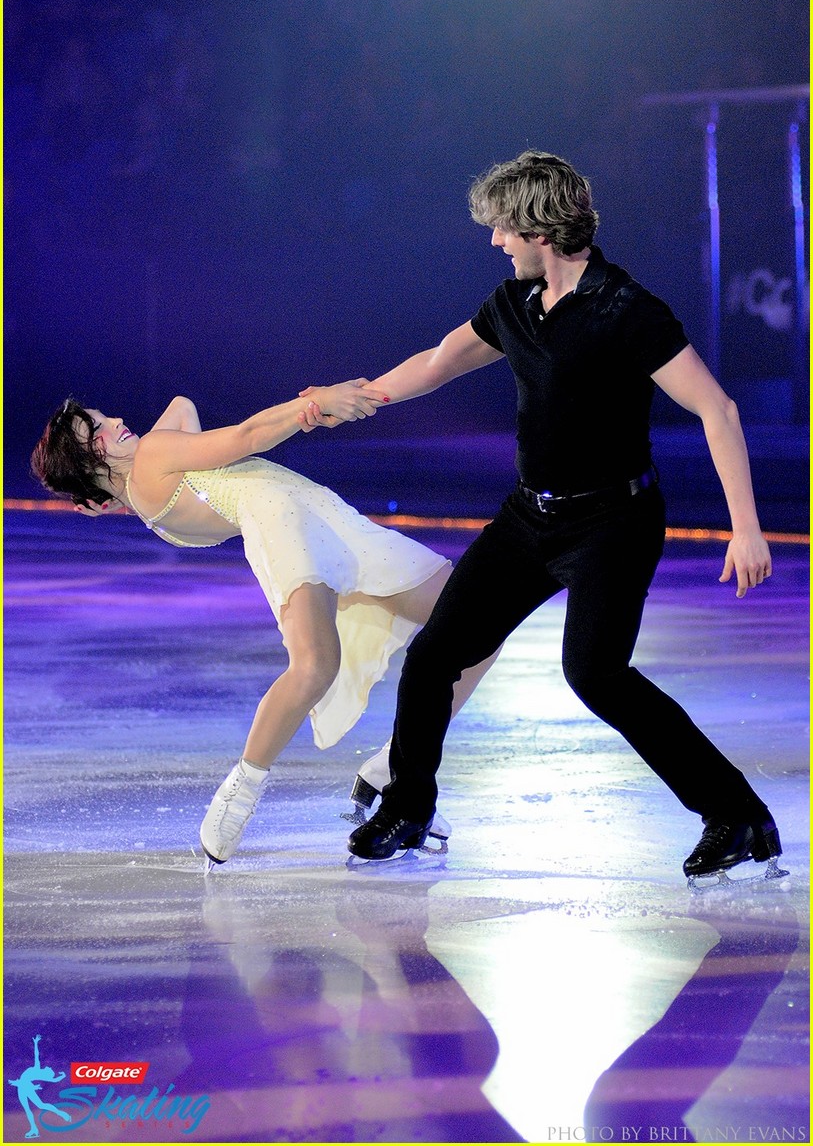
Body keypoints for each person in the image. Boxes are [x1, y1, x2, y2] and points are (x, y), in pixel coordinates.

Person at [302, 150, 781, 880]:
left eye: (501, 227)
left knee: (596, 675)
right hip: (529, 519)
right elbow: (435, 362)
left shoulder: (626, 309)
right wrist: (356, 398)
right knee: (433, 655)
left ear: (538, 229)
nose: (494, 241)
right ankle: (409, 805)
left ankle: (735, 815)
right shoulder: (514, 306)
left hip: (613, 523)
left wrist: (744, 527)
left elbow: (716, 408)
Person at [30, 387, 498, 867]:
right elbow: (247, 434)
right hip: (286, 526)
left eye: (105, 413)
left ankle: (396, 766)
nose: (115, 420)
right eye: (99, 432)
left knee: (478, 623)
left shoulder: (146, 492)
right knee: (315, 665)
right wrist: (312, 407)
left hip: (323, 516)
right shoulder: (152, 457)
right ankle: (240, 791)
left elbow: (182, 404)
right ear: (90, 467)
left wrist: (111, 488)